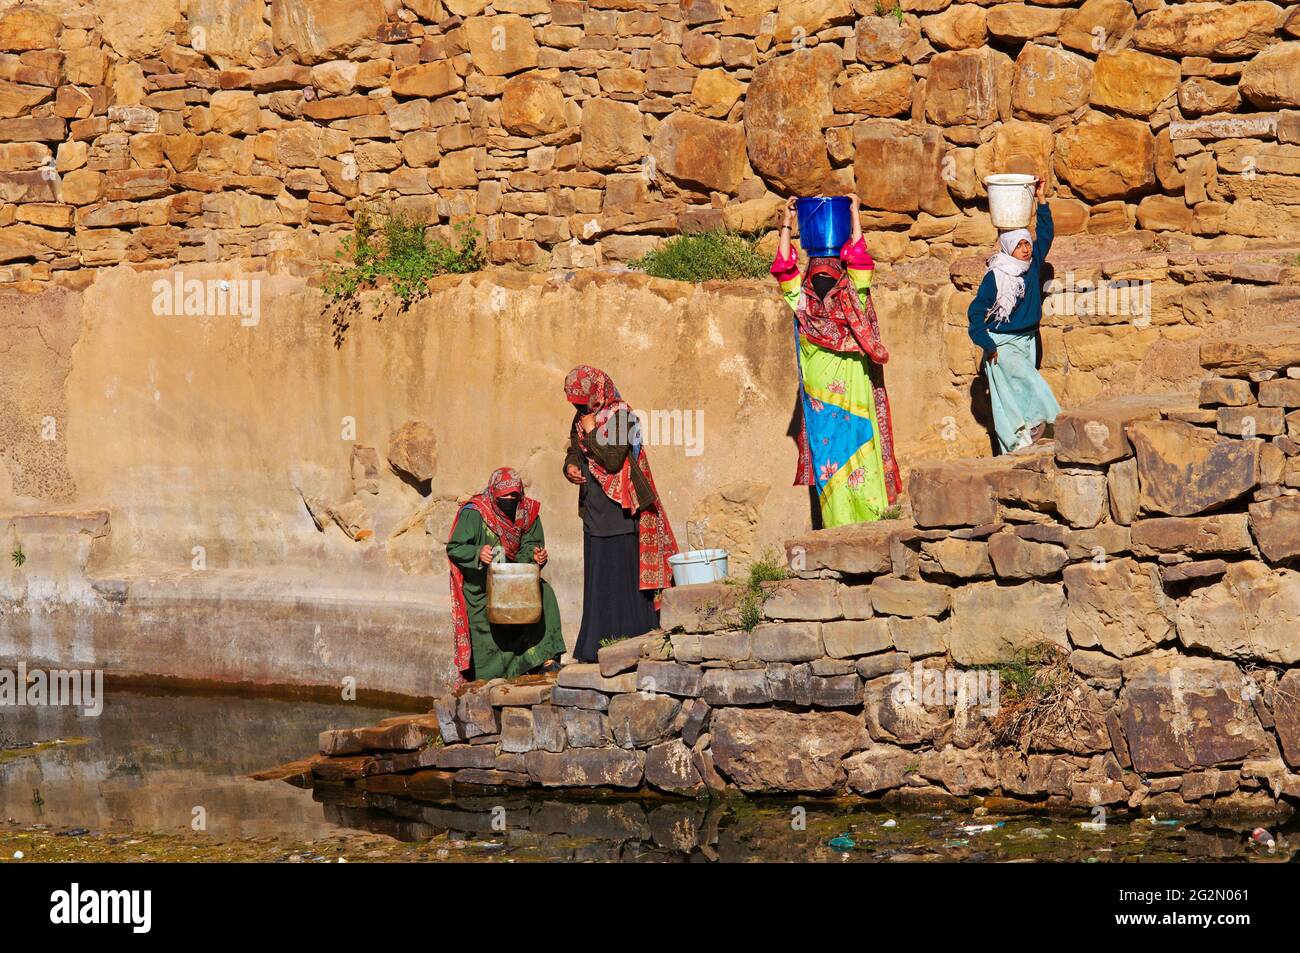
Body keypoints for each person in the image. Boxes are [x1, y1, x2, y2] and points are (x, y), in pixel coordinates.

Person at [770, 195, 902, 528]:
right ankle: (871, 525)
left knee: (833, 462)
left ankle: (840, 528)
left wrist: (788, 222)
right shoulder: (852, 297)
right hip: (850, 393)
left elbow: (784, 265)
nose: (822, 282)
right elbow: (859, 257)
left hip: (821, 401)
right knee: (858, 456)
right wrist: (854, 213)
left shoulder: (800, 300)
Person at [562, 365, 678, 663]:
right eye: (575, 402)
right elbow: (574, 450)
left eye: (582, 400)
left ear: (597, 391)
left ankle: (630, 642)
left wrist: (590, 431)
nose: (579, 407)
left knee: (621, 576)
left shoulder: (622, 416)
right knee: (599, 577)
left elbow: (613, 459)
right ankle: (596, 646)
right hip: (594, 509)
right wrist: (570, 467)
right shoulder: (583, 416)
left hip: (621, 512)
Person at [967, 178, 1060, 454]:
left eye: (1026, 243)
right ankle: (1053, 422)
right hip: (1003, 344)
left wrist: (1040, 199)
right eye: (1020, 245)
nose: (1026, 248)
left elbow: (1045, 234)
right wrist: (988, 345)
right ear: (1009, 247)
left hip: (1028, 339)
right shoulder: (997, 276)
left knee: (1015, 391)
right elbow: (975, 313)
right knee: (1031, 383)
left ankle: (1022, 442)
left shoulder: (1030, 267)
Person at [446, 467, 565, 682]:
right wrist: (477, 553)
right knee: (485, 616)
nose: (510, 499)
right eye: (504, 496)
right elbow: (455, 547)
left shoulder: (528, 511)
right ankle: (489, 677)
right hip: (482, 583)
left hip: (515, 577)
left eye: (513, 495)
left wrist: (536, 557)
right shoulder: (475, 512)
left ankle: (544, 659)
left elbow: (531, 544)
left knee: (544, 593)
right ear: (494, 494)